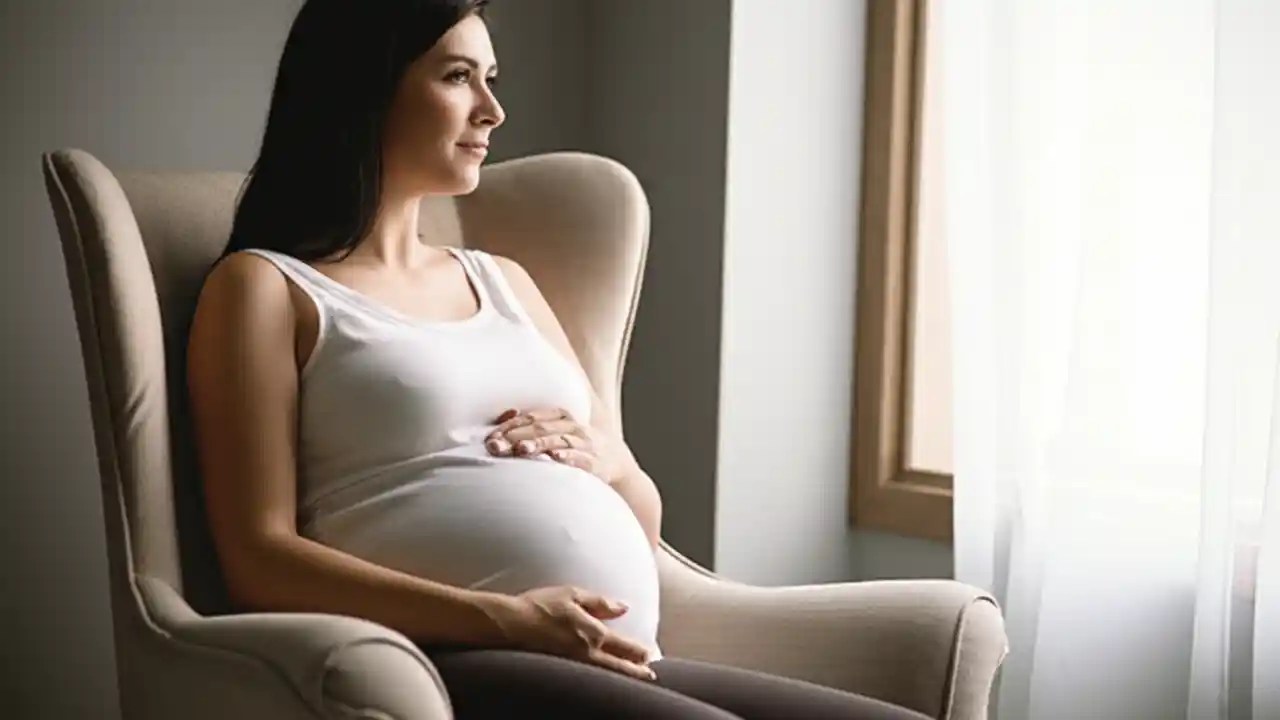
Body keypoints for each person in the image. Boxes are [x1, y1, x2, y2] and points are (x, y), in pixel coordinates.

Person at [187, 2, 930, 718]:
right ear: (363, 86)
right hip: (443, 660)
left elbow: (636, 508)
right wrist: (504, 619)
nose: (491, 110)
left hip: (618, 656)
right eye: (456, 77)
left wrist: (609, 464)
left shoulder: (504, 281)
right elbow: (259, 558)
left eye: (491, 78)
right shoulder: (265, 288)